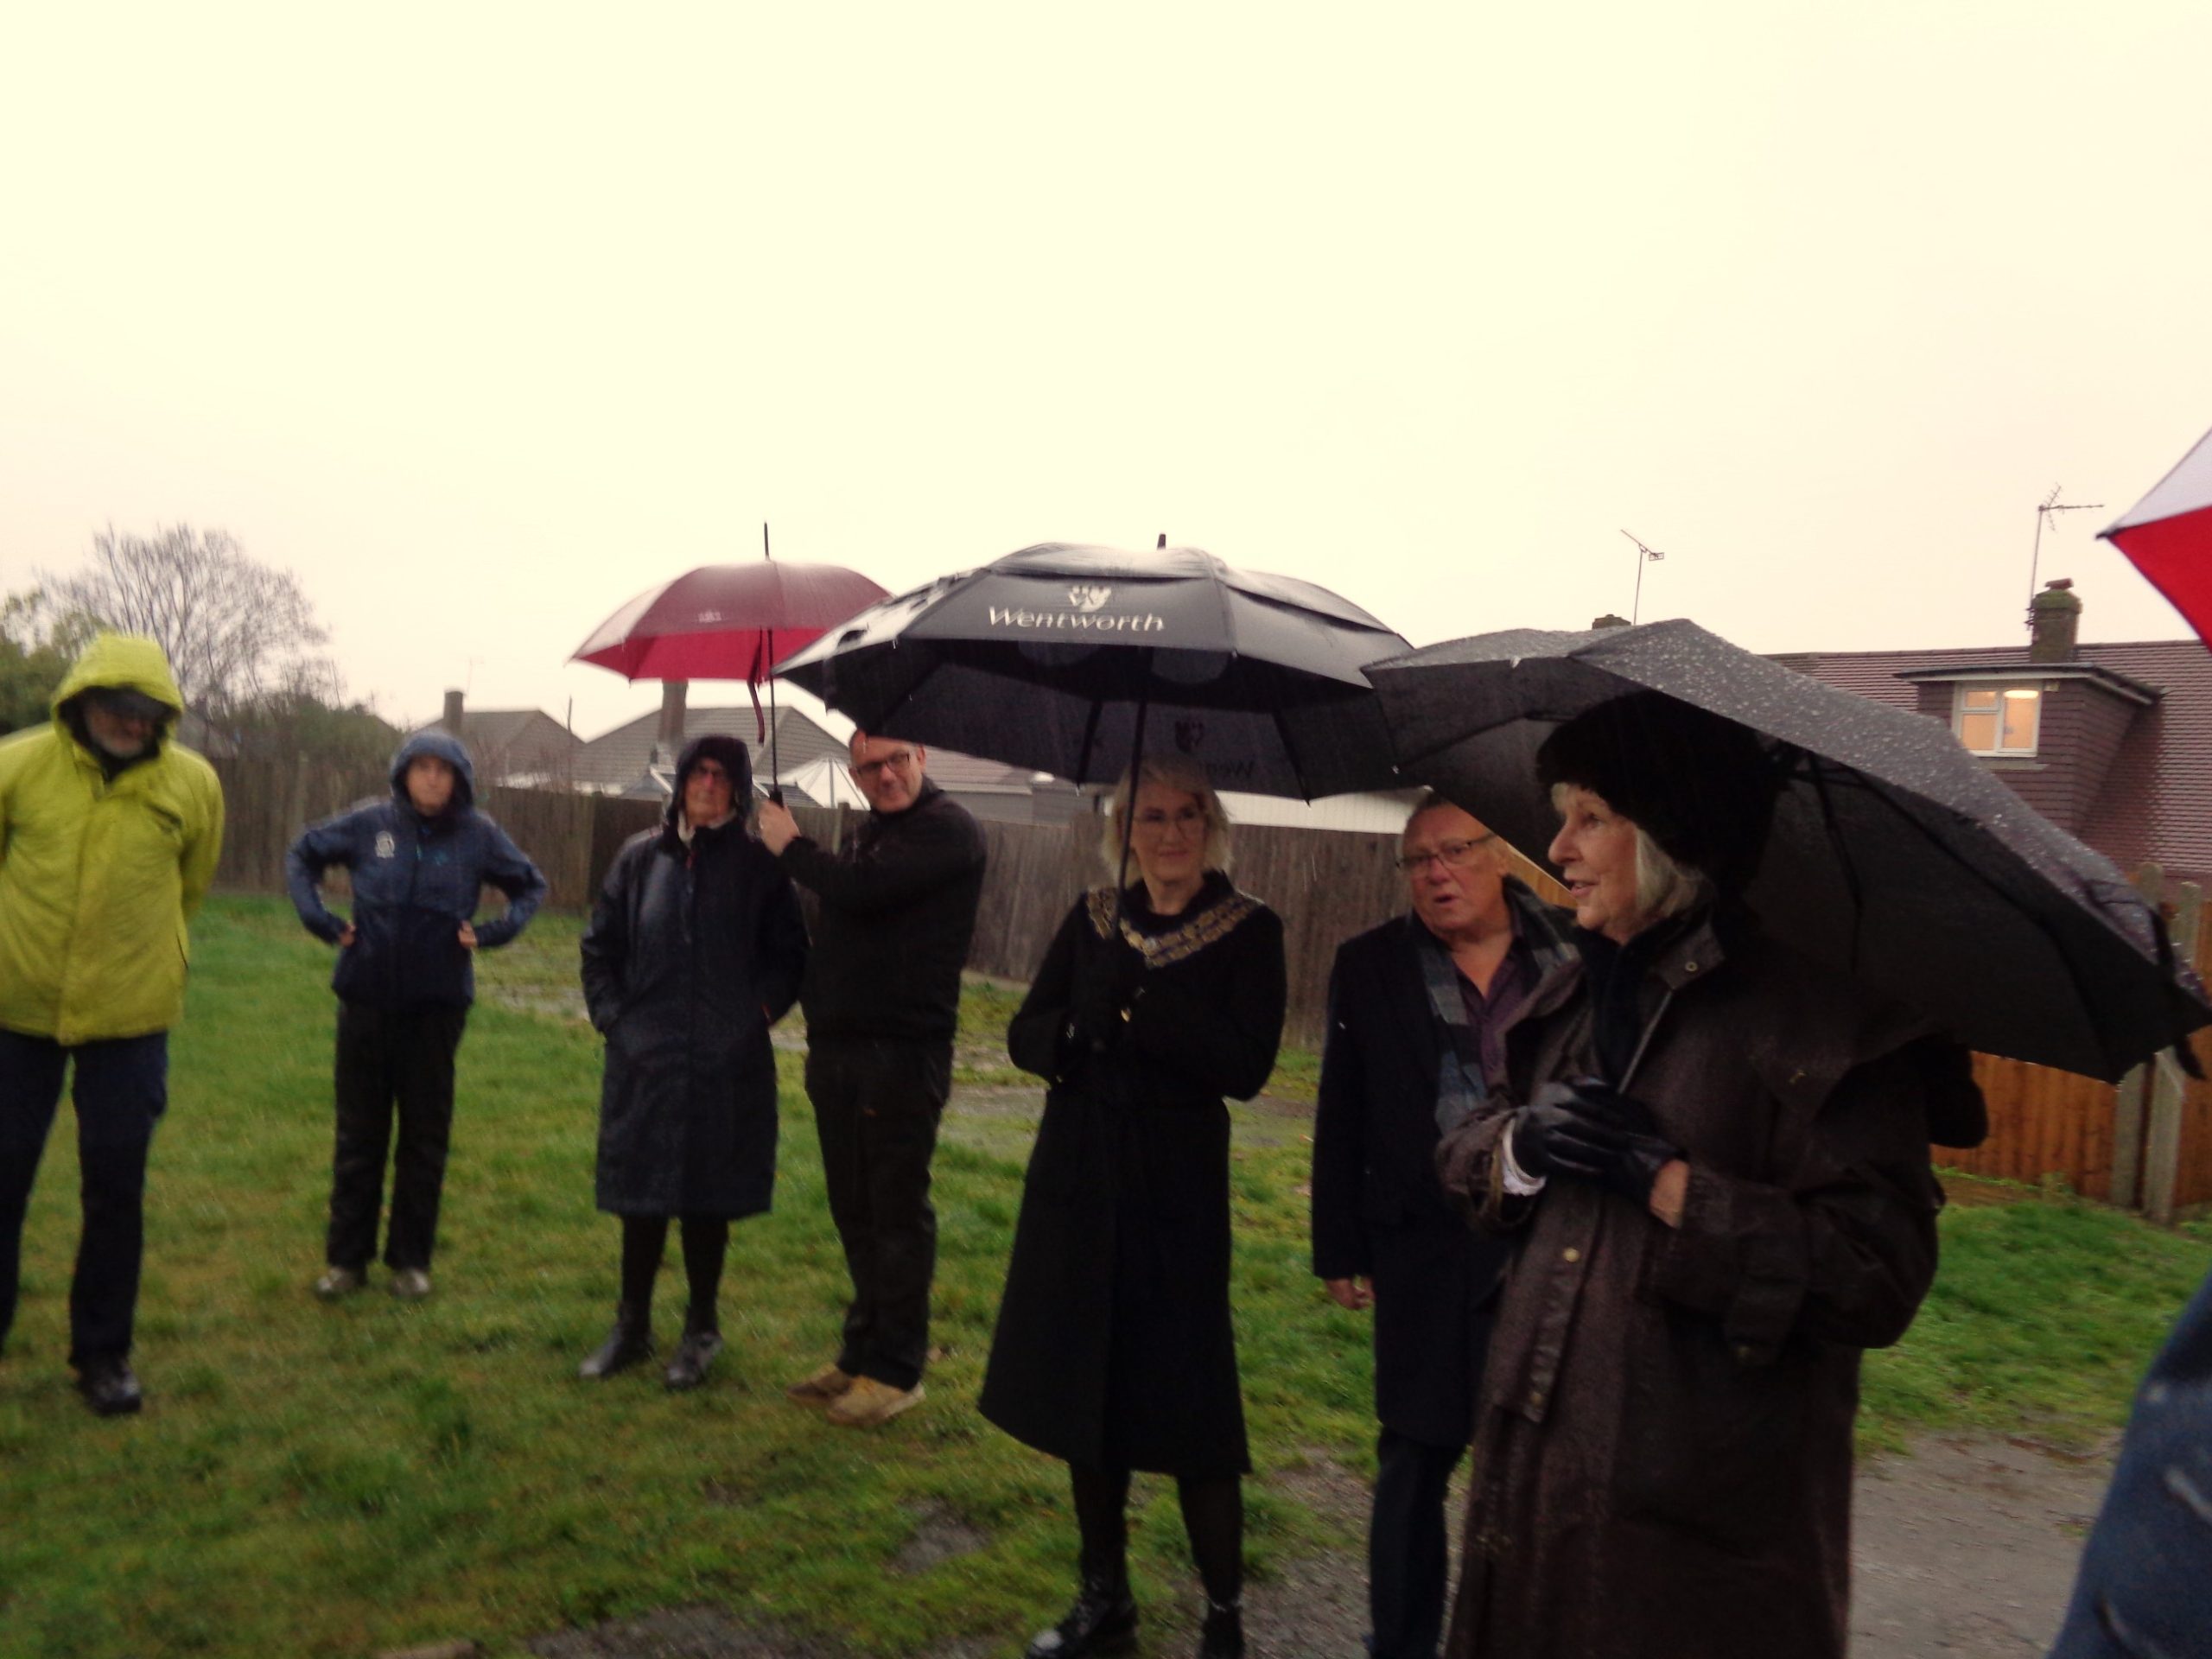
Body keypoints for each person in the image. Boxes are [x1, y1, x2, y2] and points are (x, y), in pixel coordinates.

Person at [1433, 691, 1950, 1659]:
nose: (1558, 849)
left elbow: (1875, 1275)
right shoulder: (1574, 994)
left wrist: (1671, 1184)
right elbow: (1464, 1150)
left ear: (1670, 831)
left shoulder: (1817, 1024)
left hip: (1695, 1537)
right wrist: (1522, 1148)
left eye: (1591, 818)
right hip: (1534, 1488)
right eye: (1562, 817)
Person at [980, 754, 1287, 1659]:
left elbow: (1245, 1067)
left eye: (1187, 814)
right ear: (1123, 828)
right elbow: (1024, 1036)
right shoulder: (1093, 918)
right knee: (1088, 1393)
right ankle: (1103, 1597)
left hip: (1175, 1191)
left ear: (1213, 825)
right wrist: (1080, 1026)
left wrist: (1137, 1006)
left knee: (1191, 1405)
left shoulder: (1249, 930)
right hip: (1078, 1178)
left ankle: (1223, 1614)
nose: (1168, 833)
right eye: (1149, 816)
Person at [1310, 792, 1571, 1659]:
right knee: (1415, 1459)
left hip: (1545, 1246)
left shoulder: (1577, 959)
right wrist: (1338, 1244)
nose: (1437, 873)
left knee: (1541, 1463)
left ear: (1499, 856)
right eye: (1418, 860)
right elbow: (1339, 1108)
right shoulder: (1371, 965)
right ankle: (1401, 1643)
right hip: (1420, 1244)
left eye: (1454, 851)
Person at [0, 633, 225, 1416]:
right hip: (14, 1014)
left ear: (164, 716)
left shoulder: (194, 784)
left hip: (131, 1019)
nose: (130, 723)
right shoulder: (17, 766)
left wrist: (147, 955)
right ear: (82, 702)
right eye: (117, 707)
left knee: (115, 1190)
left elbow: (190, 886)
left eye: (147, 711)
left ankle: (103, 1355)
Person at [755, 731, 985, 1427]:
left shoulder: (949, 831)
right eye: (868, 767)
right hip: (840, 1050)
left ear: (924, 756)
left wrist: (791, 847)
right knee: (854, 1209)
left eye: (895, 761)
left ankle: (898, 1370)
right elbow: (838, 918)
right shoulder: (868, 835)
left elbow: (860, 892)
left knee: (894, 1213)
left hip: (901, 1055)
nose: (884, 776)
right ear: (854, 775)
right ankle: (861, 1353)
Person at [577, 735, 807, 1389]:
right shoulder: (638, 859)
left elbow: (790, 955)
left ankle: (701, 1328)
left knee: (708, 1193)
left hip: (723, 1060)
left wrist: (754, 1016)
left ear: (737, 789)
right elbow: (600, 949)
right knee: (640, 1193)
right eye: (698, 773)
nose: (708, 784)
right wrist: (615, 1021)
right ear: (680, 784)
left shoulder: (761, 866)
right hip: (644, 1058)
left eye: (721, 775)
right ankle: (632, 1325)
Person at [287, 730, 547, 1301]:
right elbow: (303, 854)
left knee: (424, 1139)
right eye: (421, 767)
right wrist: (323, 921)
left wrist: (490, 933)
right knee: (359, 1135)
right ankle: (346, 1262)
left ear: (459, 780)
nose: (432, 777)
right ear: (403, 774)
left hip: (436, 1008)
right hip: (366, 1000)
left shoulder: (480, 836)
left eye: (443, 769)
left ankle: (411, 1262)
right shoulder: (368, 824)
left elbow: (530, 886)